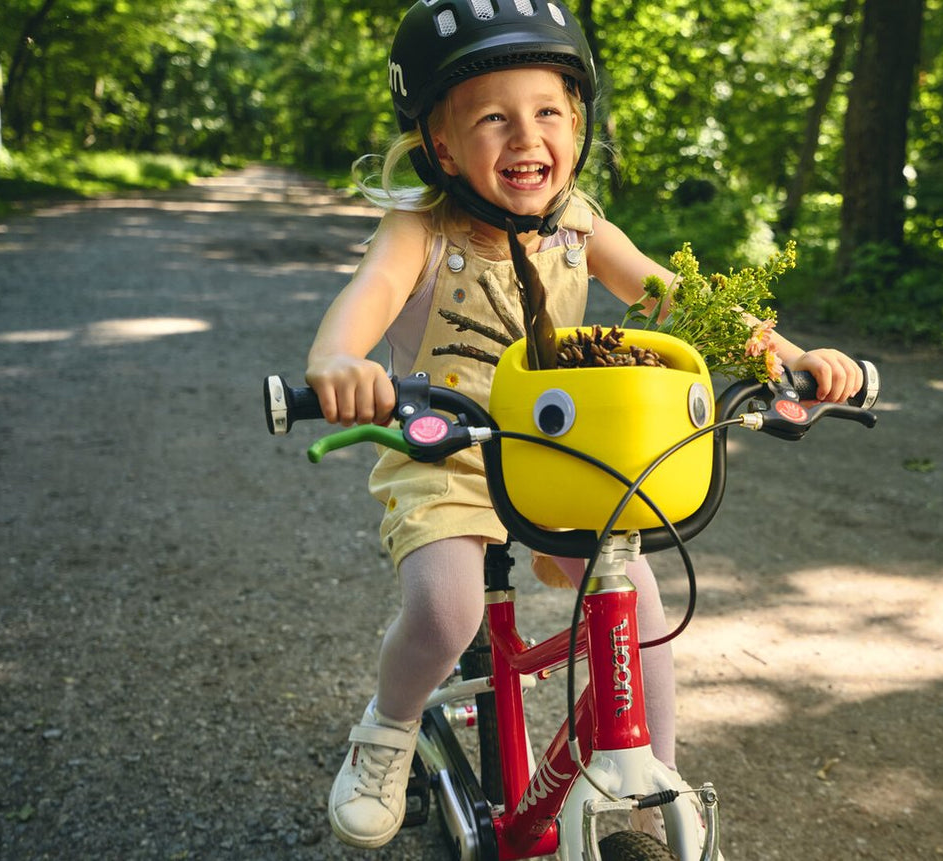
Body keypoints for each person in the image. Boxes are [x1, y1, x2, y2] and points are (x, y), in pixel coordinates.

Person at [304, 0, 864, 850]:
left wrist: (784, 356)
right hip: (449, 453)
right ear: (442, 146)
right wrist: (341, 363)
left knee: (637, 596)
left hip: (560, 455)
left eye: (548, 113)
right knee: (447, 609)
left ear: (578, 125)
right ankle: (387, 728)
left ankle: (652, 777)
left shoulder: (577, 225)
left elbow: (674, 296)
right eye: (492, 118)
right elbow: (366, 301)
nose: (526, 138)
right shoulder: (419, 231)